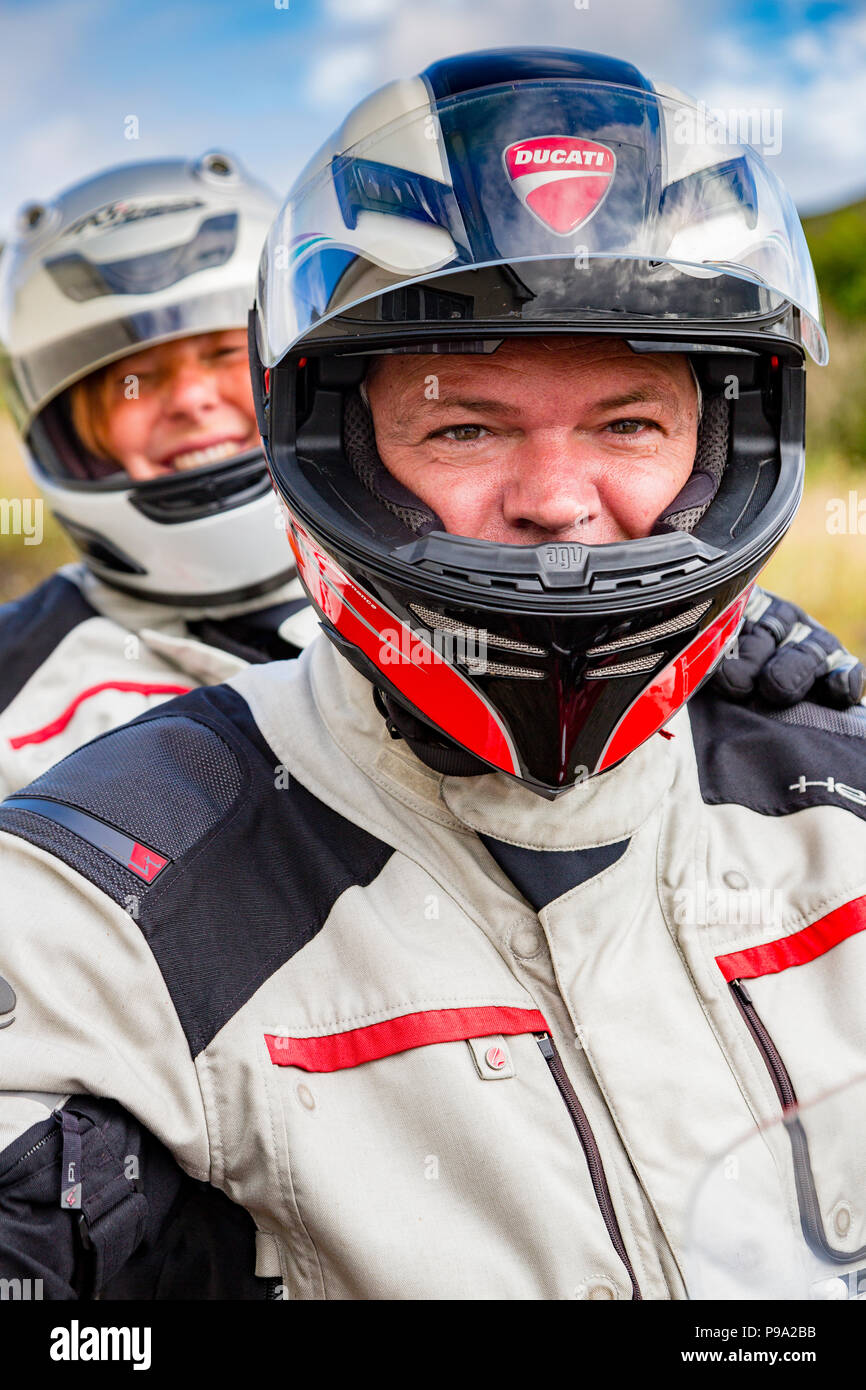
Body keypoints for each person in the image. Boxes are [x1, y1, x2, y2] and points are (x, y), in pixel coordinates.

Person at [1, 48, 865, 1301]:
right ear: (336, 446)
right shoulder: (106, 887)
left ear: (723, 444)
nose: (559, 502)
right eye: (464, 426)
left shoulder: (831, 785)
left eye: (628, 422)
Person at [0, 151, 319, 798]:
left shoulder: (455, 566)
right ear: (71, 432)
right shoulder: (22, 686)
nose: (192, 400)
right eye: (132, 381)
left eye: (226, 353)